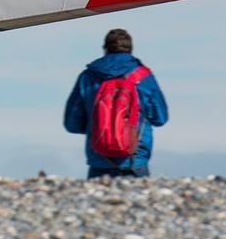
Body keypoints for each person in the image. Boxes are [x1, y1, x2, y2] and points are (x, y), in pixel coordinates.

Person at [64, 28, 169, 179]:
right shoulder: (144, 77)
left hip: (99, 158)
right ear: (130, 50)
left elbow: (72, 124)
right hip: (135, 159)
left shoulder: (87, 77)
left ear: (105, 49)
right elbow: (161, 118)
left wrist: (100, 126)